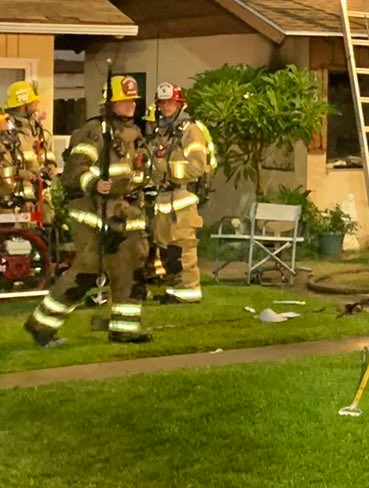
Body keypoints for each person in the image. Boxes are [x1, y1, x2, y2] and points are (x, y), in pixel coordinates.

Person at [23, 75, 153, 346]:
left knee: (129, 268)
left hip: (123, 212)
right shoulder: (94, 131)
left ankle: (124, 329)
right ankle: (41, 326)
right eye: (124, 101)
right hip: (91, 212)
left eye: (133, 100)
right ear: (109, 102)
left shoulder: (135, 133)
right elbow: (73, 172)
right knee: (86, 270)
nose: (130, 105)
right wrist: (95, 183)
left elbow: (139, 170)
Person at [147, 82, 214, 304]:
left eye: (170, 102)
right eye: (162, 102)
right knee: (167, 249)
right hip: (165, 199)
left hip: (183, 199)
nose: (166, 106)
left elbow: (196, 168)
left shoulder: (190, 131)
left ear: (179, 103)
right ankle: (176, 287)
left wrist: (164, 169)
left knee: (184, 246)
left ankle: (190, 289)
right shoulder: (161, 131)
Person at [3, 79, 55, 210]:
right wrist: (20, 173)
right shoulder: (6, 132)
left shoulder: (37, 130)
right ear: (22, 105)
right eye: (33, 101)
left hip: (41, 195)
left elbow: (46, 151)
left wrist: (51, 165)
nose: (37, 103)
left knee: (46, 227)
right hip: (16, 200)